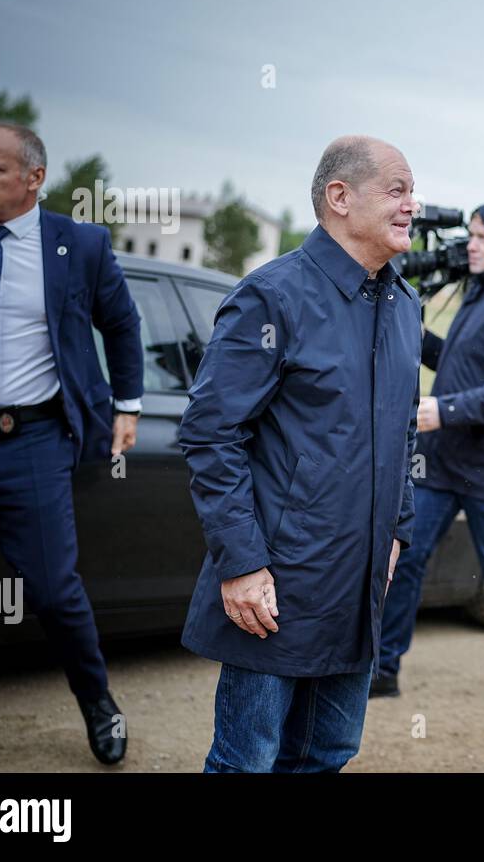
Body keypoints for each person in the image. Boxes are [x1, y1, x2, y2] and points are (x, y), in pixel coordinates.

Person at [179, 136, 421, 773]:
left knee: (328, 752)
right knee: (248, 759)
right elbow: (211, 433)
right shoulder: (272, 297)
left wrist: (397, 531)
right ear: (339, 198)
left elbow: (403, 433)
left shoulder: (403, 304)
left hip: (359, 582)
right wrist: (241, 563)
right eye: (397, 190)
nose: (413, 205)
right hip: (276, 584)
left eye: (412, 191)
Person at [0, 124, 143, 768]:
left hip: (34, 441)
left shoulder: (82, 244)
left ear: (34, 178)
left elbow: (122, 325)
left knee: (51, 588)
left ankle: (99, 704)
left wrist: (126, 405)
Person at [373, 203, 484, 698]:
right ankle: (383, 669)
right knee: (405, 559)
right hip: (443, 461)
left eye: (481, 237)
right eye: (471, 235)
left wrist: (445, 410)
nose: (471, 245)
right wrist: (405, 320)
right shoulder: (482, 289)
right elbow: (458, 360)